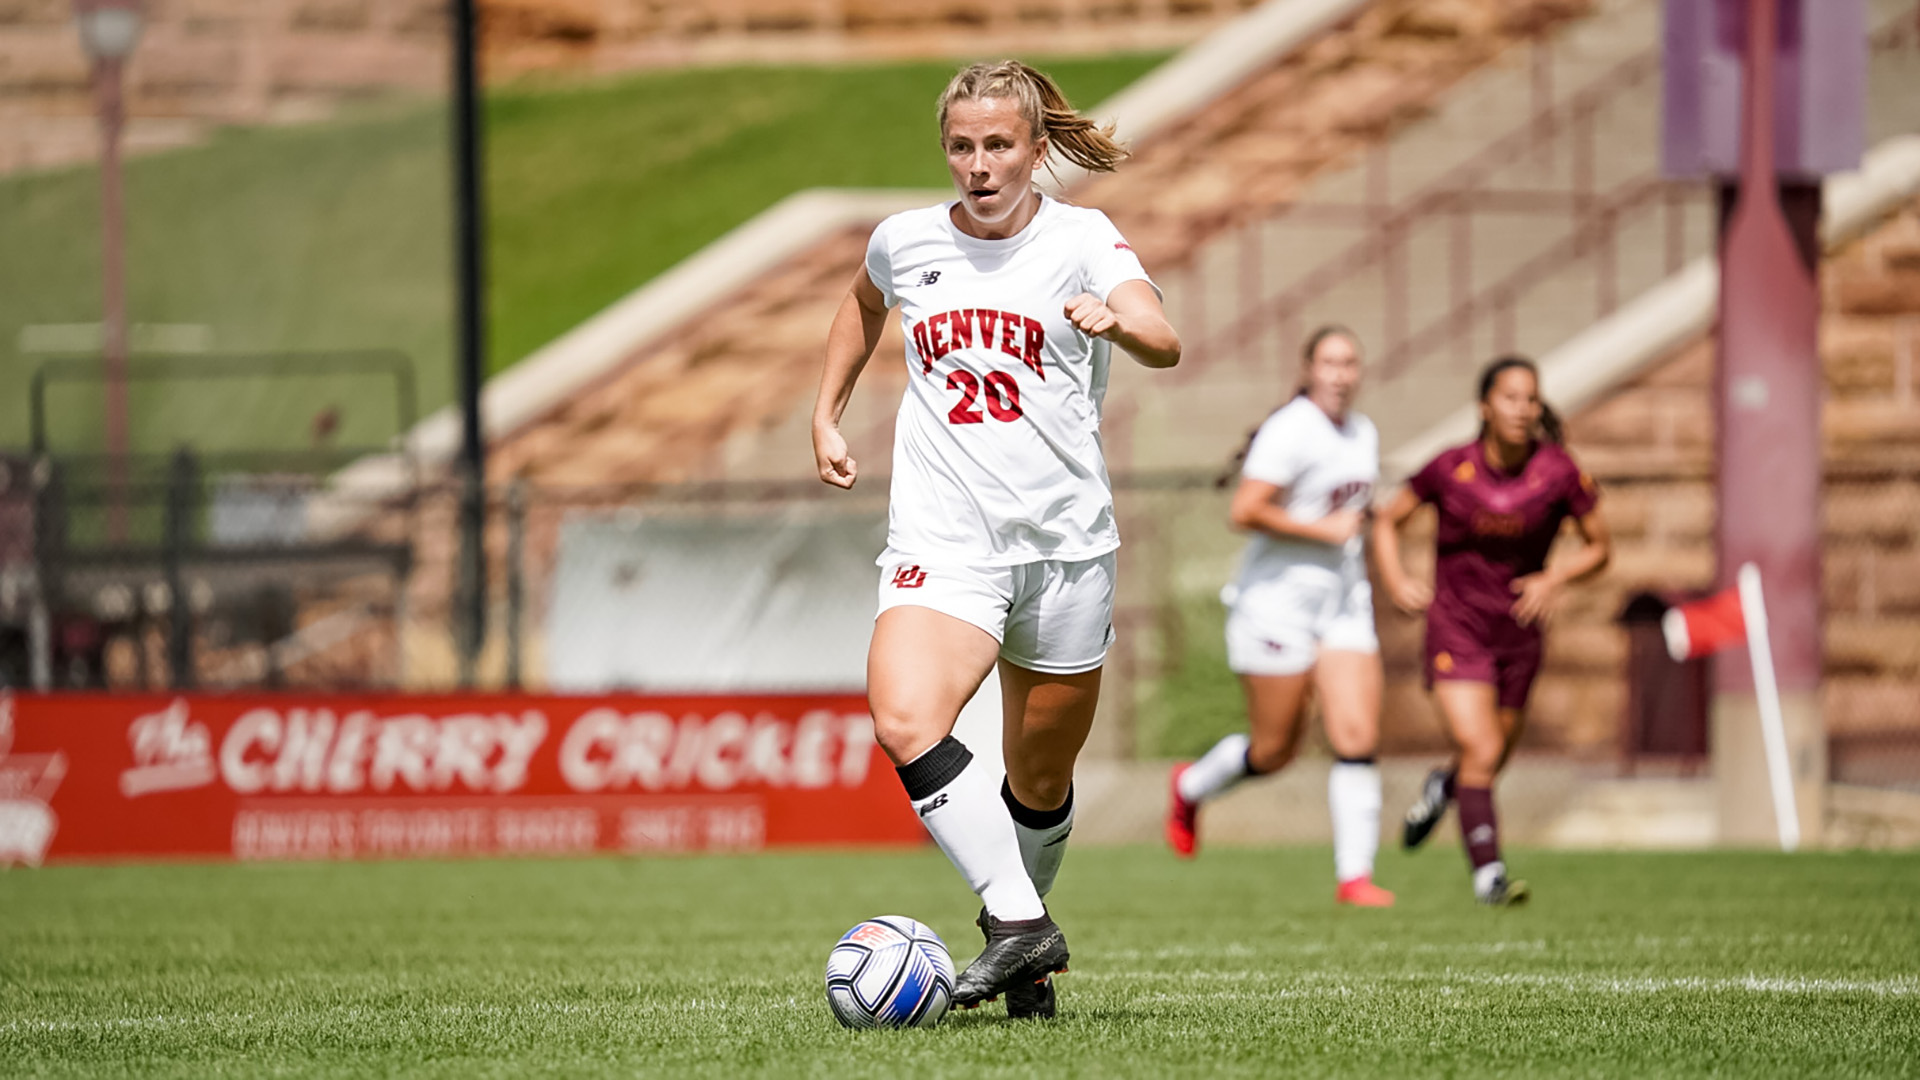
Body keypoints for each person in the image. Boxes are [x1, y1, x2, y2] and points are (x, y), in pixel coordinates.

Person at [811, 59, 1179, 1018]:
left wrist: (1121, 323)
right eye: (962, 146)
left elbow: (1161, 331)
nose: (979, 165)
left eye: (999, 146)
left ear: (1035, 148)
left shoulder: (1082, 238)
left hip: (1064, 551)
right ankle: (1019, 923)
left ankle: (1025, 952)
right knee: (903, 716)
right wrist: (826, 412)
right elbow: (862, 303)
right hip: (947, 542)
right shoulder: (906, 241)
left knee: (1041, 775)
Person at [1164, 326, 1394, 908]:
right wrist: (1322, 530)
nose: (1342, 374)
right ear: (1309, 368)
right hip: (1275, 603)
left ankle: (1355, 877)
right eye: (1330, 362)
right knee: (1274, 752)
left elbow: (1369, 515)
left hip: (1343, 601)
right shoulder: (1291, 429)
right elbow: (1245, 510)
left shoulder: (1363, 431)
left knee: (1357, 737)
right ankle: (1191, 787)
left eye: (1351, 362)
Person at [1371, 356, 1611, 905]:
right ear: (1485, 407)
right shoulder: (1451, 467)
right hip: (1458, 627)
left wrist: (1556, 577)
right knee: (1481, 745)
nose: (1522, 409)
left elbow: (1601, 548)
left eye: (1530, 399)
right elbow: (1387, 519)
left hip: (1519, 633)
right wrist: (1396, 578)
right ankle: (1489, 876)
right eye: (1510, 398)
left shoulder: (1558, 471)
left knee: (1491, 754)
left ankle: (1444, 787)